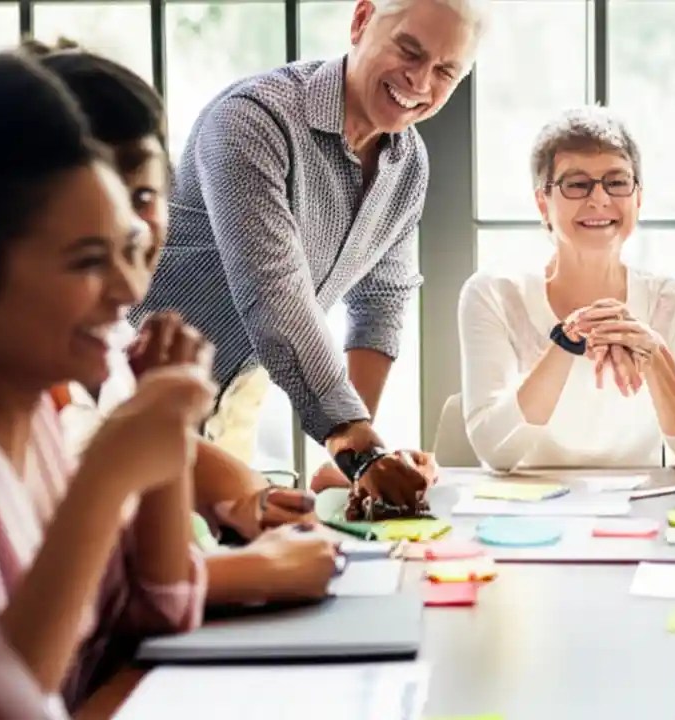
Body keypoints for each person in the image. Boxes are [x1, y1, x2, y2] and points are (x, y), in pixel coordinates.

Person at [133, 0, 484, 510]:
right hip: (135, 388)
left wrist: (353, 453)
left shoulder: (407, 161)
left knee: (231, 563)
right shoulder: (252, 120)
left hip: (233, 403)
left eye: (446, 71)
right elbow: (276, 301)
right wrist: (359, 449)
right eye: (409, 50)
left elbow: (381, 304)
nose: (420, 82)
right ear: (362, 20)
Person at [33, 45, 340, 606]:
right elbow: (131, 598)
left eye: (144, 197)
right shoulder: (22, 388)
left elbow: (162, 577)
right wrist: (256, 573)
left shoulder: (114, 340)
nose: (128, 236)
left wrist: (253, 500)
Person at [0, 52, 209, 716]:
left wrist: (161, 437)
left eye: (128, 250)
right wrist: (105, 474)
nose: (130, 290)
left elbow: (151, 609)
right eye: (87, 261)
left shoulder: (37, 417)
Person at [458, 106, 675, 469]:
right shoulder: (494, 295)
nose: (599, 200)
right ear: (543, 203)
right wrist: (569, 338)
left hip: (639, 513)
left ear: (638, 199)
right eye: (577, 184)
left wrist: (654, 353)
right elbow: (494, 451)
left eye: (616, 182)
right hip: (525, 515)